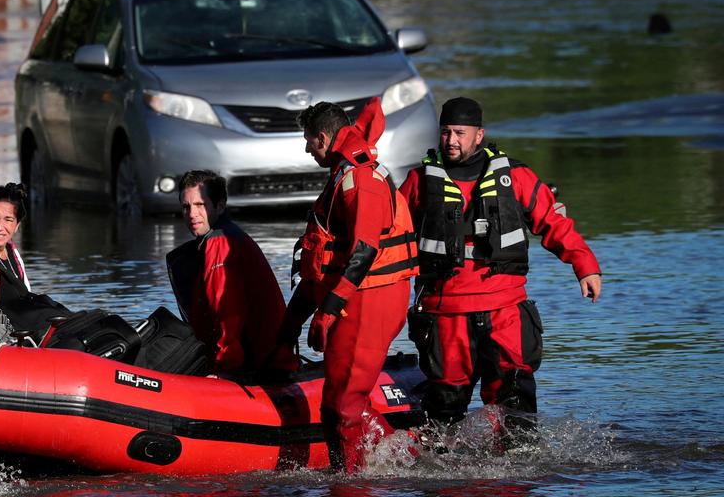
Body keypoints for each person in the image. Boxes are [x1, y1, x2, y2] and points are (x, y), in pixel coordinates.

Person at [398, 96, 602, 435]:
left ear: (479, 135)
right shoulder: (419, 182)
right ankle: (443, 466)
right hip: (447, 313)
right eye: (446, 132)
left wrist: (585, 266)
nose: (451, 141)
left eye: (460, 133)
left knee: (516, 406)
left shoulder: (516, 176)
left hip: (505, 310)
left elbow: (554, 223)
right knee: (443, 411)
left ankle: (520, 467)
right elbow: (390, 236)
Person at [279, 98, 419, 472]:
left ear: (323, 138)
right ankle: (405, 461)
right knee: (341, 401)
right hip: (357, 297)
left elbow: (364, 250)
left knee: (342, 406)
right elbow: (326, 259)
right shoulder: (344, 175)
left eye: (308, 142)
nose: (307, 150)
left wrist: (328, 311)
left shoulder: (360, 180)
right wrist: (292, 322)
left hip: (369, 299)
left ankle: (351, 488)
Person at [164, 170, 298, 380]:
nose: (192, 214)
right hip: (265, 361)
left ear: (220, 206)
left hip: (260, 368)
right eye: (186, 207)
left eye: (200, 205)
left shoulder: (219, 243)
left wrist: (225, 369)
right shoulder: (223, 237)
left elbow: (227, 312)